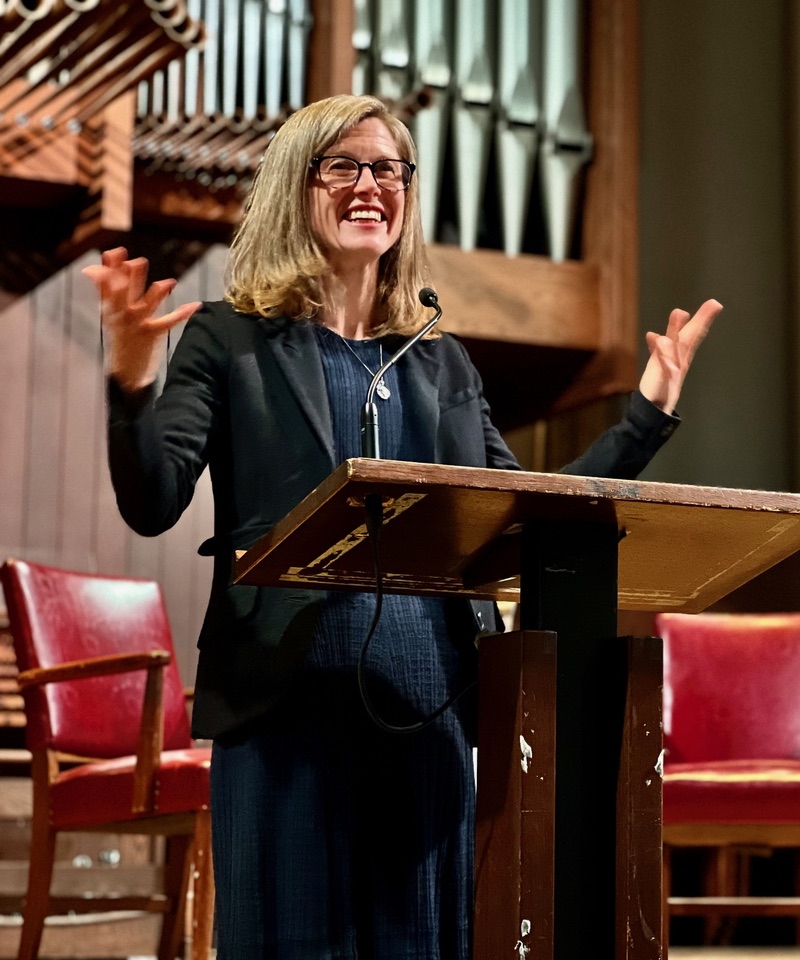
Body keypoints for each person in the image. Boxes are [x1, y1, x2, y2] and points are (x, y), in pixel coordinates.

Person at [86, 94, 719, 960]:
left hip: (429, 708)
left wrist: (643, 416)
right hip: (286, 705)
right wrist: (129, 382)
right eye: (342, 164)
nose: (369, 185)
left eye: (388, 168)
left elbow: (534, 508)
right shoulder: (230, 340)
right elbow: (153, 498)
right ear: (294, 187)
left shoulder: (437, 359)